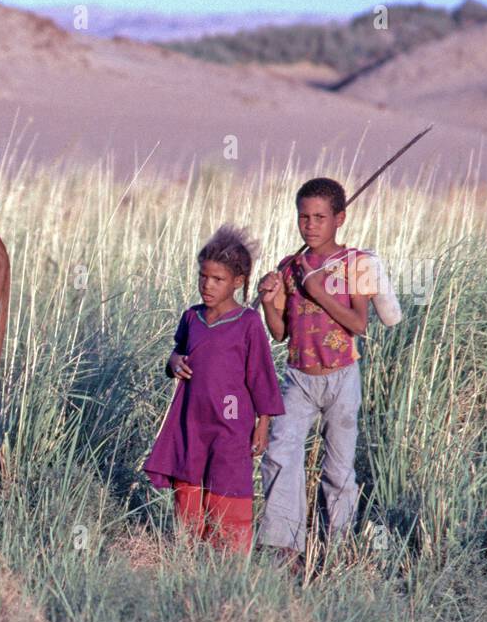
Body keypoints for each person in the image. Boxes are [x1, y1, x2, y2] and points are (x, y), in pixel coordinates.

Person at [254, 177, 379, 569]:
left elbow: (360, 325)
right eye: (304, 217)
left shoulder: (356, 263)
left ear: (340, 218)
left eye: (320, 218)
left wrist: (320, 291)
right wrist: (269, 301)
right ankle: (284, 547)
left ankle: (339, 548)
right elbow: (280, 333)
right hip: (299, 376)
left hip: (342, 376)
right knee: (279, 453)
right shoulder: (289, 267)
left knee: (339, 467)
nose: (310, 225)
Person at [142, 225, 284, 552]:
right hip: (190, 422)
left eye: (217, 279)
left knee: (228, 486)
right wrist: (174, 361)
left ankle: (230, 561)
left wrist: (263, 424)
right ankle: (188, 554)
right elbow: (176, 353)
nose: (207, 285)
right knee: (188, 485)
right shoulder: (192, 318)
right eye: (203, 277)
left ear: (237, 282)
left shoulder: (248, 322)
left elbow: (261, 375)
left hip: (231, 425)